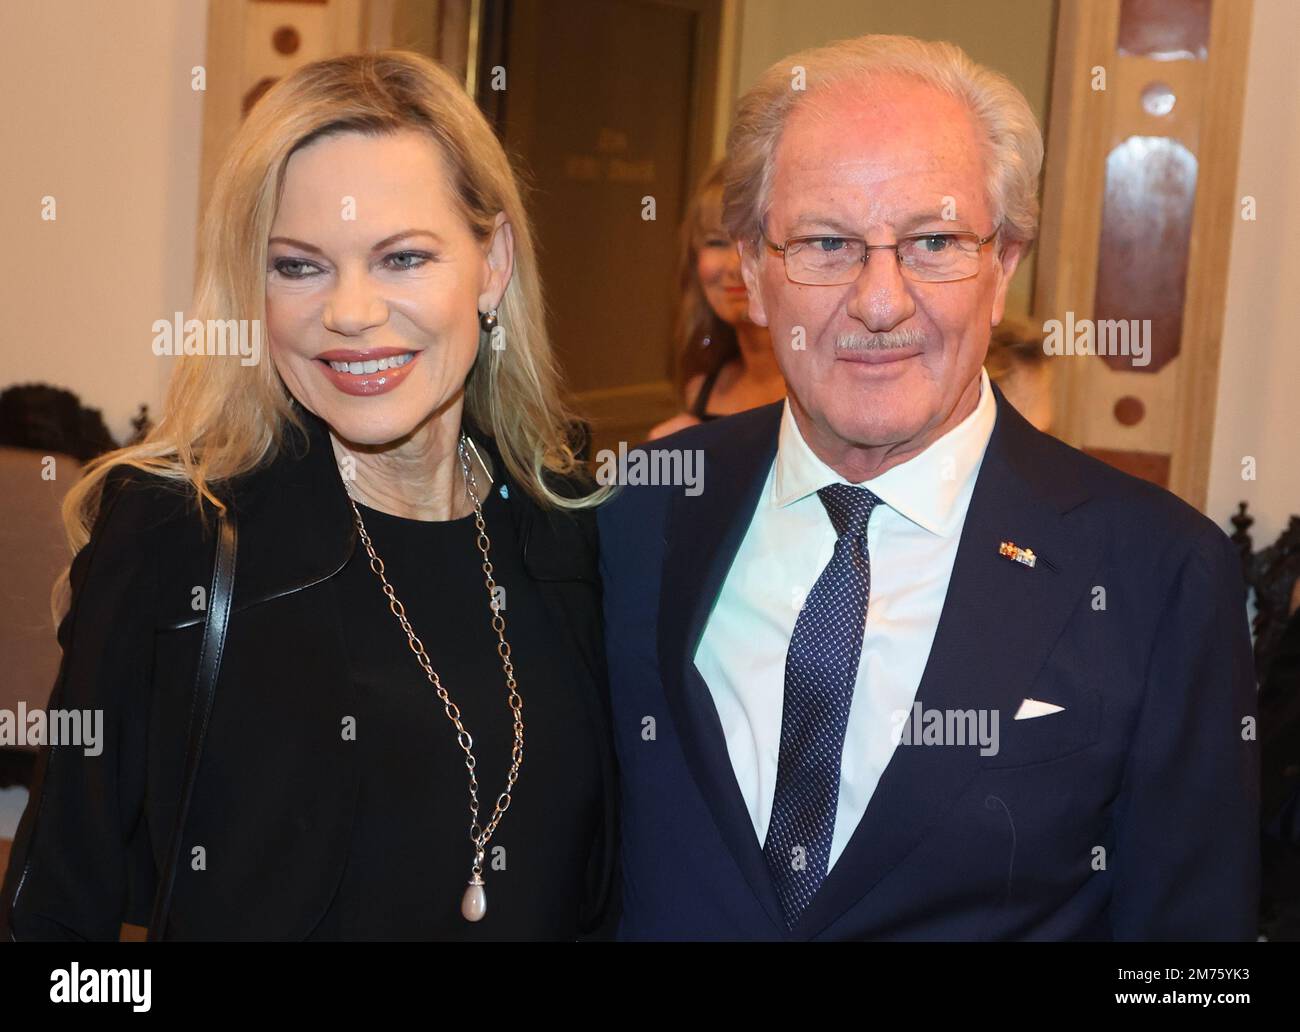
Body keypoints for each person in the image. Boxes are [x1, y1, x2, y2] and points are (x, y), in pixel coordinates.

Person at [598, 34, 1258, 940]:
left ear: (1005, 267)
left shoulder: (1157, 574)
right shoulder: (639, 515)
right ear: (752, 270)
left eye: (935, 240)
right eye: (827, 242)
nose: (880, 301)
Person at [0, 50, 617, 941]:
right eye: (299, 267)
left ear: (491, 264)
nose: (352, 313)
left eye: (402, 257)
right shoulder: (180, 532)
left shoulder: (573, 532)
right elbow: (58, 930)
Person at [648, 162, 784, 440]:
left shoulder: (822, 394)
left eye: (756, 243)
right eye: (717, 243)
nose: (735, 265)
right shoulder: (701, 389)